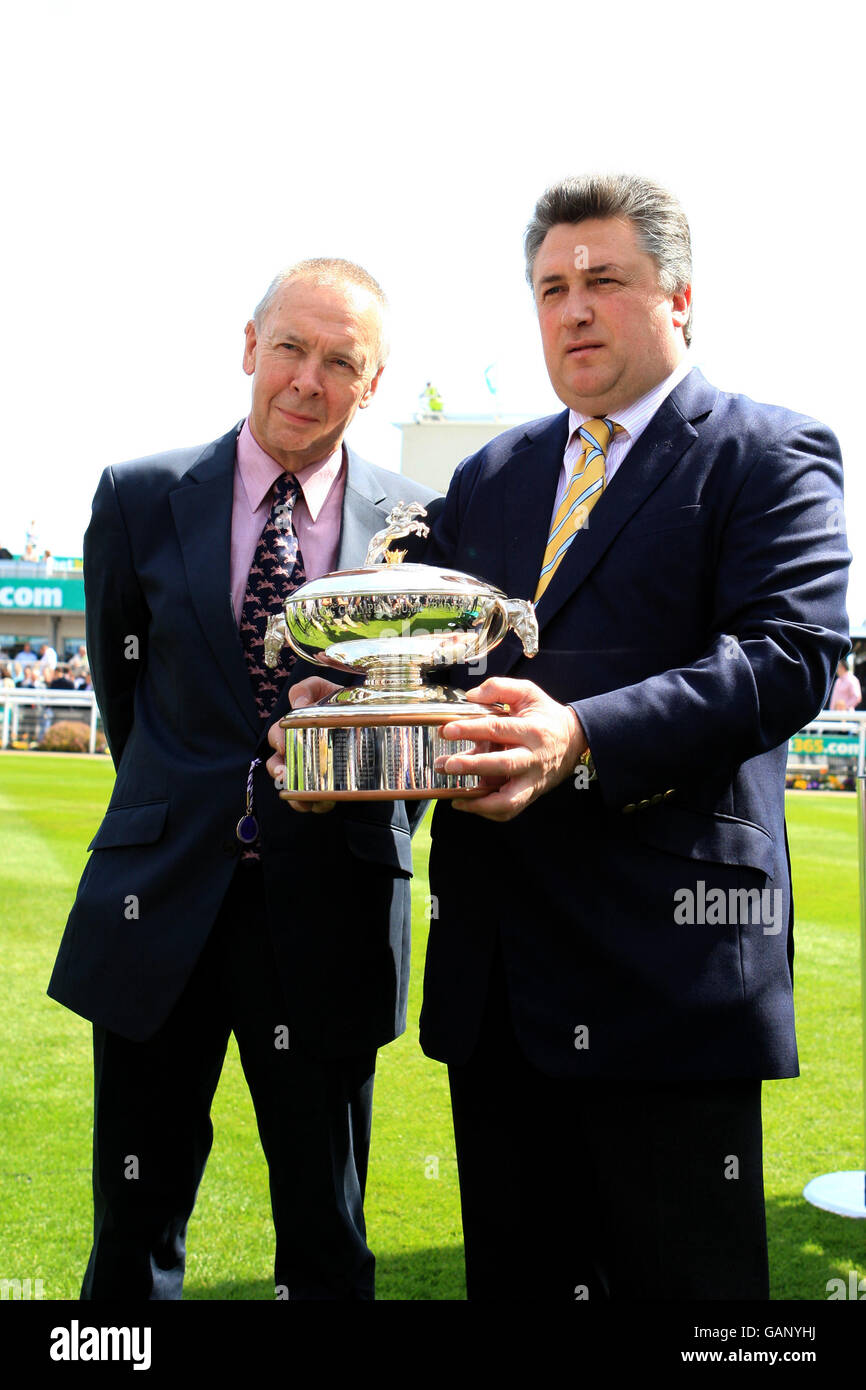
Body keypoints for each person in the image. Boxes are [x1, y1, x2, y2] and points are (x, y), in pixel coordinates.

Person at [394, 175, 850, 1300]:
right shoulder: (489, 477)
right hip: (498, 969)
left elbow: (786, 656)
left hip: (668, 971)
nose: (573, 309)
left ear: (679, 298)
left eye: (604, 280)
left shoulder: (767, 451)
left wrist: (578, 738)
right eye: (551, 287)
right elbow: (444, 658)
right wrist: (360, 706)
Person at [48, 257, 438, 1301]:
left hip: (333, 909)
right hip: (161, 903)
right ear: (248, 345)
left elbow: (428, 719)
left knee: (324, 1229)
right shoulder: (138, 496)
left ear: (375, 379)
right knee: (132, 1232)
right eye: (290, 349)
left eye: (340, 361)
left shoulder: (422, 523)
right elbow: (129, 706)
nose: (308, 380)